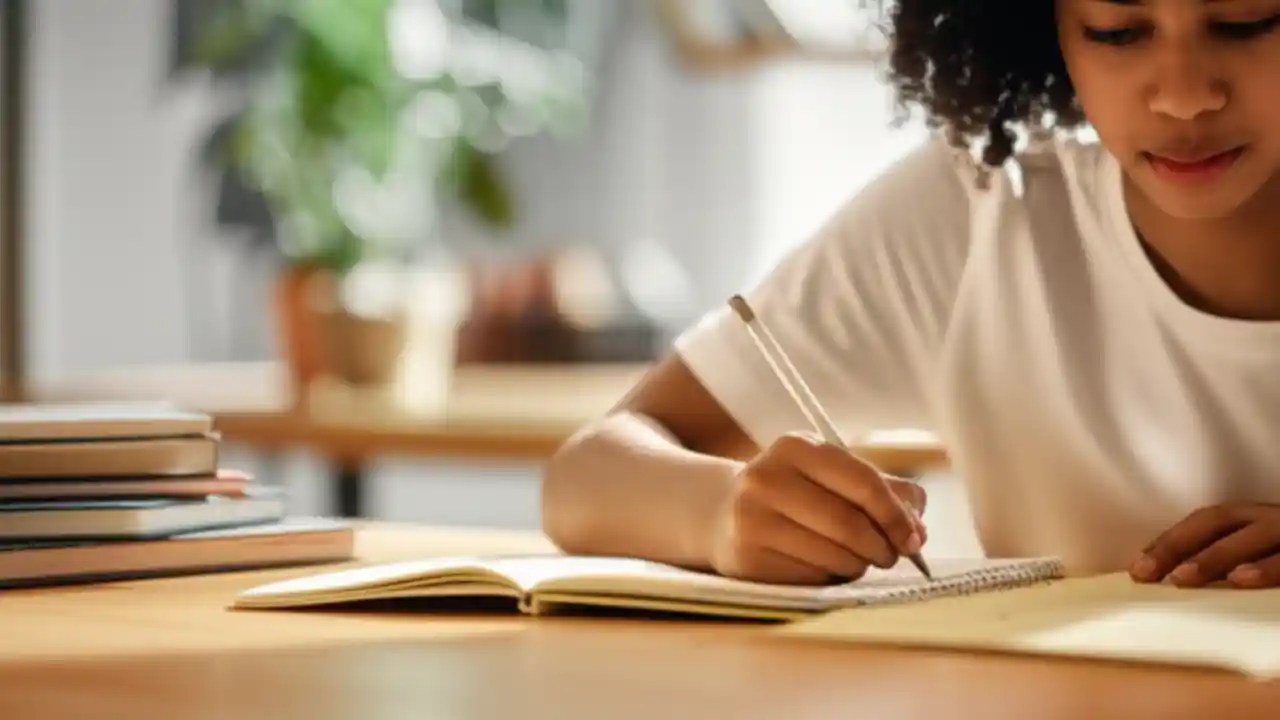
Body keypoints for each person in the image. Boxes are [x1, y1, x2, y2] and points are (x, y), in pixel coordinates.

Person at [541, 0, 1280, 590]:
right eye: (1119, 31)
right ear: (1046, 25)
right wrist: (719, 514)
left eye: (1249, 20)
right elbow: (585, 477)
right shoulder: (981, 220)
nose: (1185, 96)